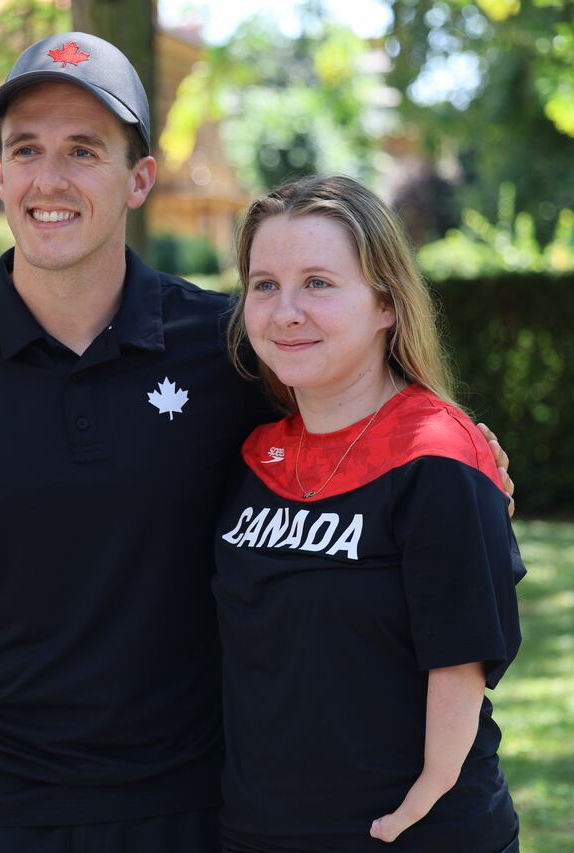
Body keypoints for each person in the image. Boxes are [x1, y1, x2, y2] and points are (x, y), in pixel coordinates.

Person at [0, 33, 513, 853]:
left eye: (84, 150)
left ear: (140, 179)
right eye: (26, 149)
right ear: (0, 170)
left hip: (190, 802)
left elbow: (364, 417)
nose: (50, 178)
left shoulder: (228, 347)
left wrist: (464, 457)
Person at [214, 175, 523, 852]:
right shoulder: (253, 455)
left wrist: (430, 789)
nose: (286, 311)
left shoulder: (437, 453)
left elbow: (463, 648)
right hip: (257, 831)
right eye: (264, 285)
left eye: (318, 283)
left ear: (386, 302)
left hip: (406, 832)